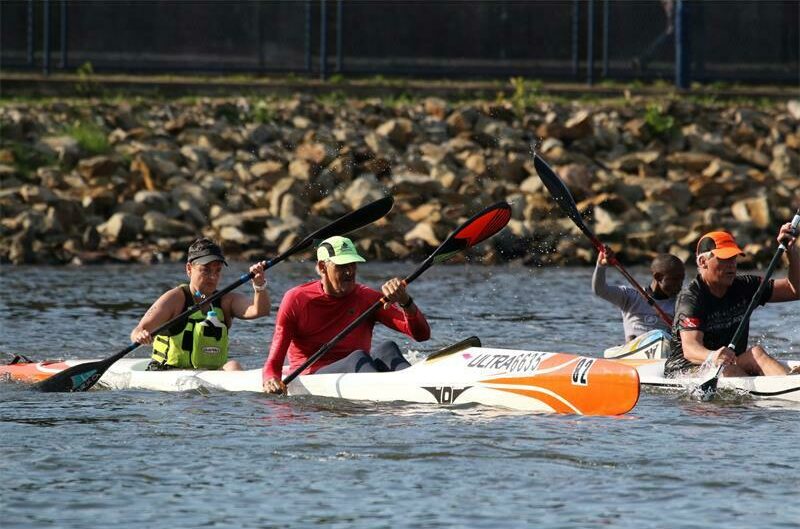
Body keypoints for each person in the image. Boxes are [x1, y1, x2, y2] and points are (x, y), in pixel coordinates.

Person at [262, 235, 430, 394]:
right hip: (313, 374)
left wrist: (405, 302)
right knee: (358, 357)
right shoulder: (297, 299)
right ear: (322, 267)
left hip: (360, 367)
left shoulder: (368, 297)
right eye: (341, 266)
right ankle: (395, 395)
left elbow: (422, 335)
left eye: (353, 264)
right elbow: (274, 360)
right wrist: (270, 379)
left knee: (388, 348)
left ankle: (422, 388)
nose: (349, 271)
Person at [664, 226, 799, 378]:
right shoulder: (691, 299)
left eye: (733, 258)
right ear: (703, 262)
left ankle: (791, 387)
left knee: (756, 352)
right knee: (727, 371)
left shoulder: (745, 286)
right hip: (687, 370)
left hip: (727, 364)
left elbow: (795, 290)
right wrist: (713, 356)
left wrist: (791, 251)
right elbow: (690, 349)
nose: (732, 265)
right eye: (724, 259)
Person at [131, 238, 270, 371]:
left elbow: (260, 311)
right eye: (206, 270)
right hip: (167, 372)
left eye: (218, 270)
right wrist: (141, 336)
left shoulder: (226, 301)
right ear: (189, 269)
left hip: (209, 374)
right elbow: (138, 331)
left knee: (233, 365)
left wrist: (259, 285)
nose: (213, 277)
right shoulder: (175, 298)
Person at [592, 247, 685, 342]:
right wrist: (601, 266)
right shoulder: (630, 296)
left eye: (682, 280)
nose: (680, 285)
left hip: (663, 349)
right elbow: (600, 290)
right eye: (675, 279)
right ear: (658, 277)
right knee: (632, 339)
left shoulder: (680, 306)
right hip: (633, 349)